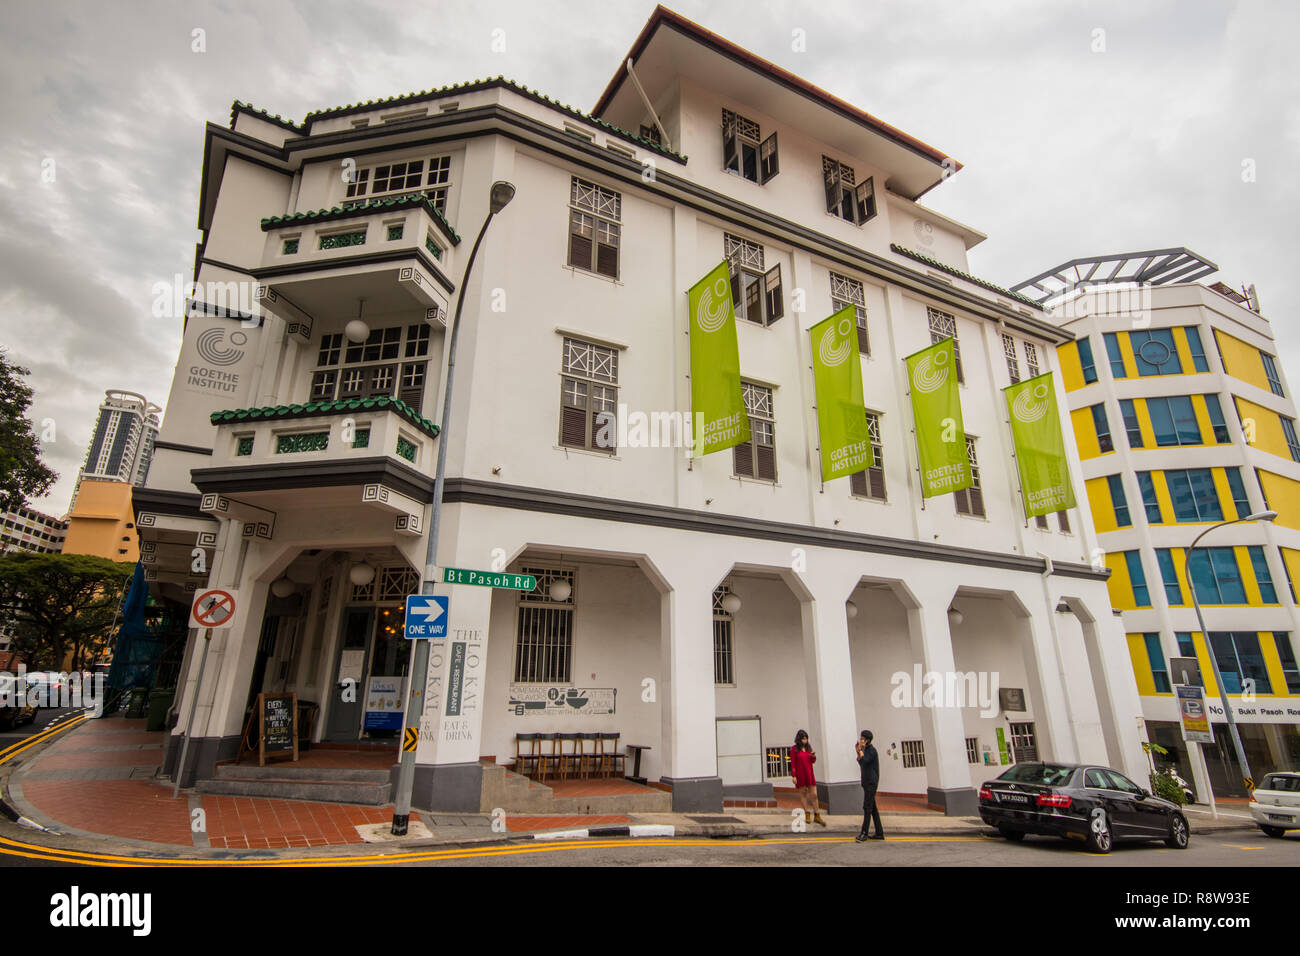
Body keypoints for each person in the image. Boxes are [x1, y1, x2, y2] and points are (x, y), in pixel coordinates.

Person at [790, 729, 824, 827]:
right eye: (803, 739)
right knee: (803, 794)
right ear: (799, 739)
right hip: (800, 774)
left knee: (814, 794)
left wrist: (813, 756)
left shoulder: (809, 748)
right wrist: (794, 776)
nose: (805, 741)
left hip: (809, 774)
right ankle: (807, 813)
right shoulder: (794, 749)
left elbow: (813, 761)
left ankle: (817, 815)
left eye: (806, 739)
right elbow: (793, 763)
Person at [855, 729, 884, 842]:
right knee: (873, 809)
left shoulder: (872, 751)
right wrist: (858, 751)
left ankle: (864, 833)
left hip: (871, 782)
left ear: (867, 740)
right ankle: (879, 833)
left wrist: (861, 752)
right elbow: (861, 762)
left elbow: (866, 760)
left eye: (862, 739)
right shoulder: (865, 750)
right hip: (866, 782)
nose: (860, 740)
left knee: (867, 807)